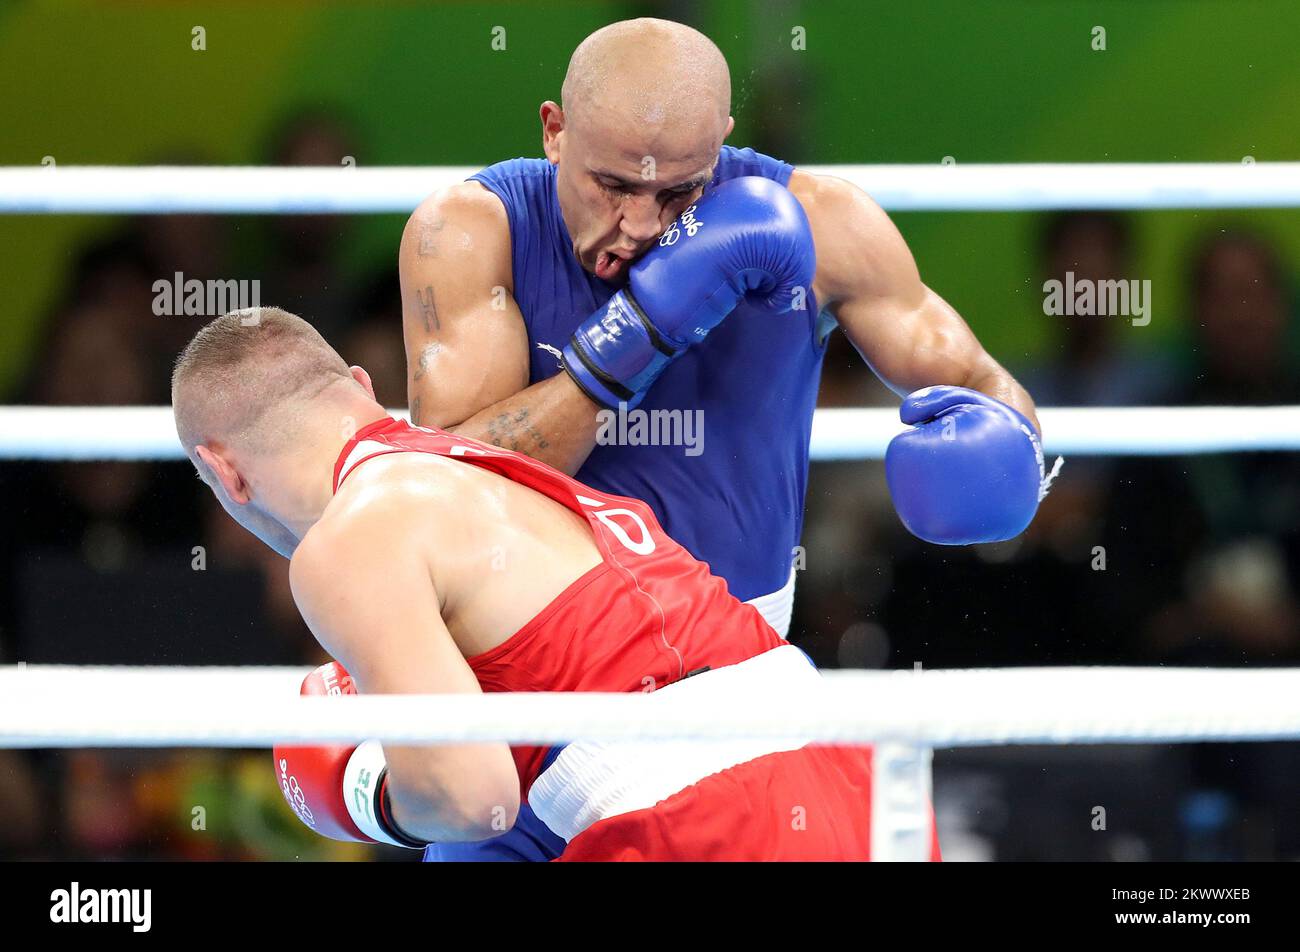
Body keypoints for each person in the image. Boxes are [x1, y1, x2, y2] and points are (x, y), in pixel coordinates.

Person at [399, 19, 1042, 858]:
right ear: (553, 129)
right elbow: (445, 490)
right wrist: (640, 336)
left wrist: (1005, 446)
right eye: (609, 184)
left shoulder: (820, 222)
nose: (637, 225)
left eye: (677, 195)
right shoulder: (470, 230)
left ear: (722, 145)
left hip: (729, 698)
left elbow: (981, 378)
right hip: (520, 694)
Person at [169, 294, 1042, 858]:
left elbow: (472, 804)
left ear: (225, 472)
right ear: (359, 386)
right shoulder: (488, 464)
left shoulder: (347, 542)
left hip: (703, 822)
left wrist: (361, 794)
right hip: (848, 776)